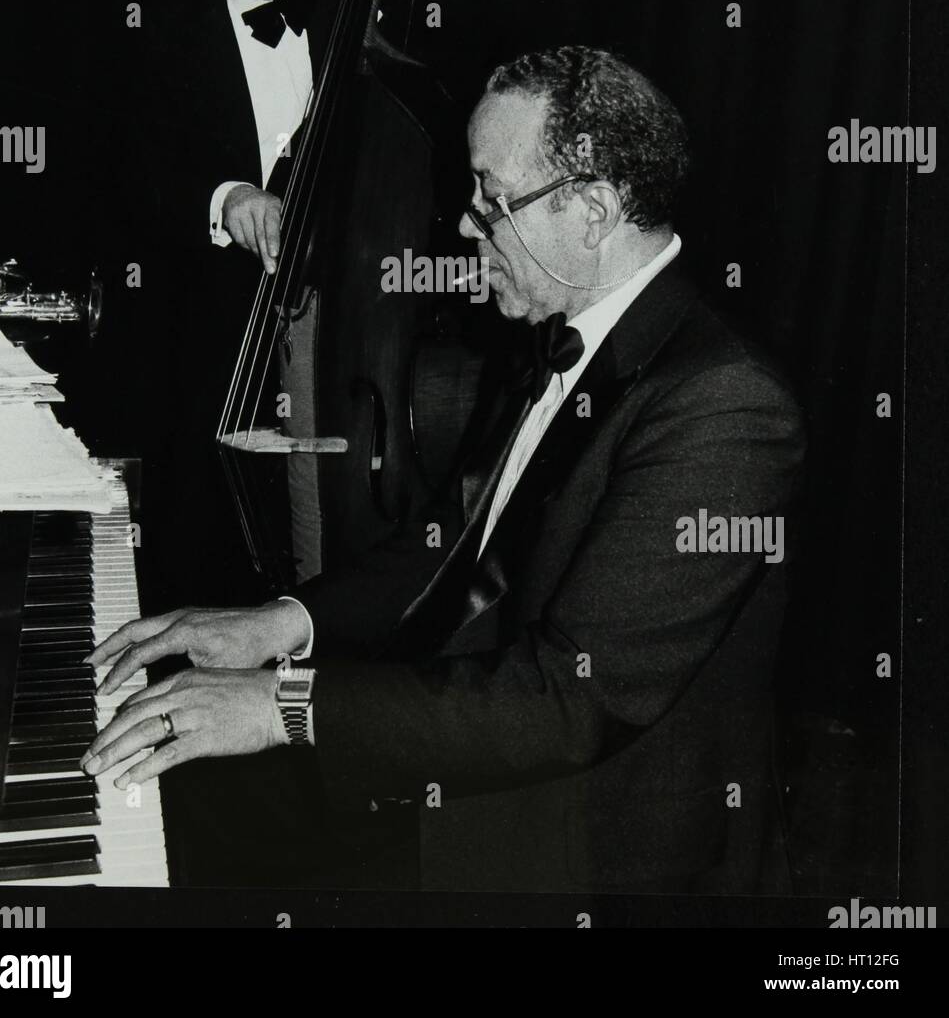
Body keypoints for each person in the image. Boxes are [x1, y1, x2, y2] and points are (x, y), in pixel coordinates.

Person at [95, 44, 805, 893]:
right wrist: (280, 624)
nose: (467, 222)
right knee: (181, 815)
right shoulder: (547, 331)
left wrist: (282, 703)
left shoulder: (724, 404)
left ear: (593, 208)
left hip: (584, 846)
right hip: (470, 750)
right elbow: (450, 545)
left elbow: (569, 704)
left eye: (491, 197)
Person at [136, 0, 517, 608]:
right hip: (215, 352)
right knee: (208, 553)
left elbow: (508, 32)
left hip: (367, 346)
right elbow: (127, 169)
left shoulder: (369, 6)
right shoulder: (160, 31)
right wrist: (226, 197)